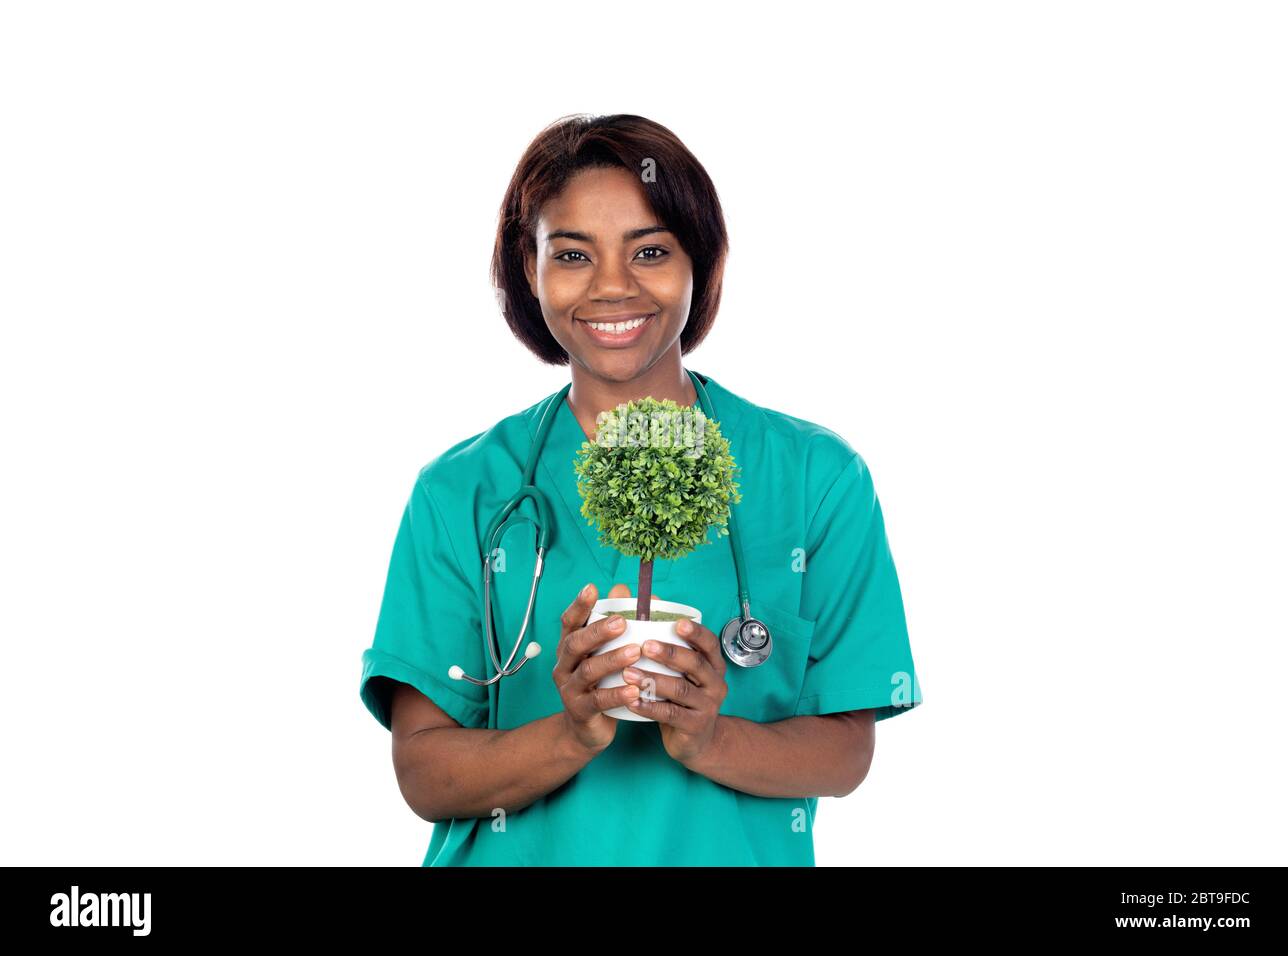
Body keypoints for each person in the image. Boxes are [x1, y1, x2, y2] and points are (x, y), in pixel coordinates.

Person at [358, 113, 922, 866]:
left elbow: (845, 752)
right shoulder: (461, 491)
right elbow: (424, 772)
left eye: (650, 251)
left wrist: (709, 737)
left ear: (702, 261)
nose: (613, 286)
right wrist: (572, 732)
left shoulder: (817, 477)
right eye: (572, 254)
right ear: (531, 273)